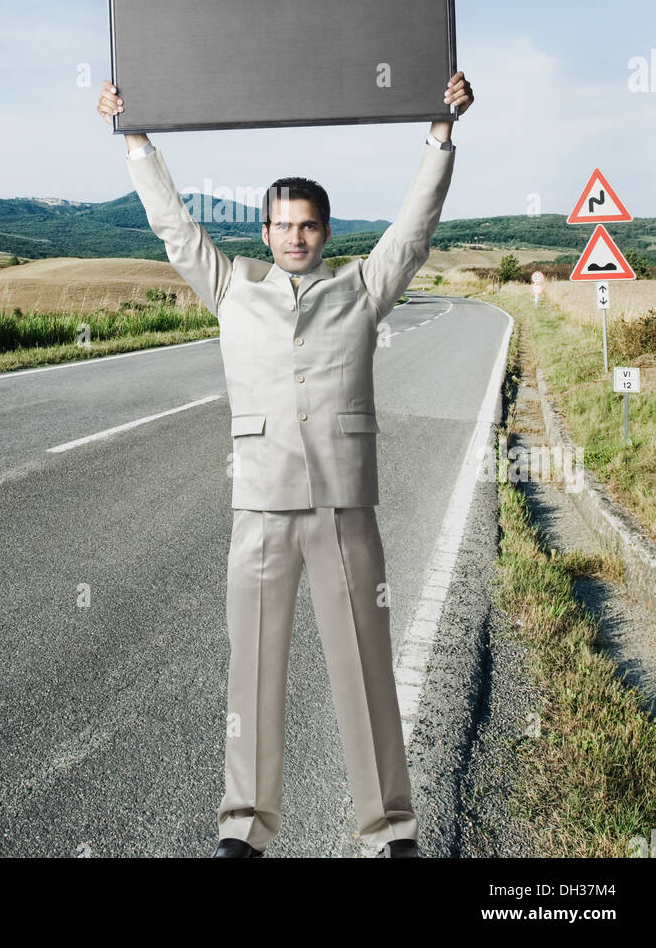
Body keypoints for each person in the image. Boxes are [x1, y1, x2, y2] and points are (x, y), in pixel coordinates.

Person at [97, 72, 474, 857]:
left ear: (325, 231)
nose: (294, 237)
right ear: (264, 231)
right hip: (260, 507)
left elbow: (411, 230)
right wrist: (136, 140)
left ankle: (389, 830)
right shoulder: (230, 288)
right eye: (280, 225)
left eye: (306, 225)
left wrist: (438, 139)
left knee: (366, 672)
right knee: (254, 675)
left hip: (343, 507)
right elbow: (174, 228)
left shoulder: (361, 289)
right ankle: (244, 827)